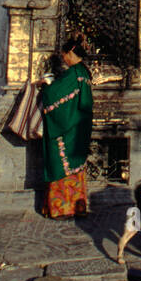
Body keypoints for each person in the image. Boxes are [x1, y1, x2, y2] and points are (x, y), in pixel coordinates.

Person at [39, 38, 93, 219]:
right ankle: (77, 206)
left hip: (65, 128)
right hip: (80, 128)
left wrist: (44, 87)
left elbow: (51, 96)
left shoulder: (72, 75)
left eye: (64, 56)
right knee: (76, 166)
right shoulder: (84, 73)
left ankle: (61, 208)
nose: (64, 60)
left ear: (70, 53)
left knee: (59, 163)